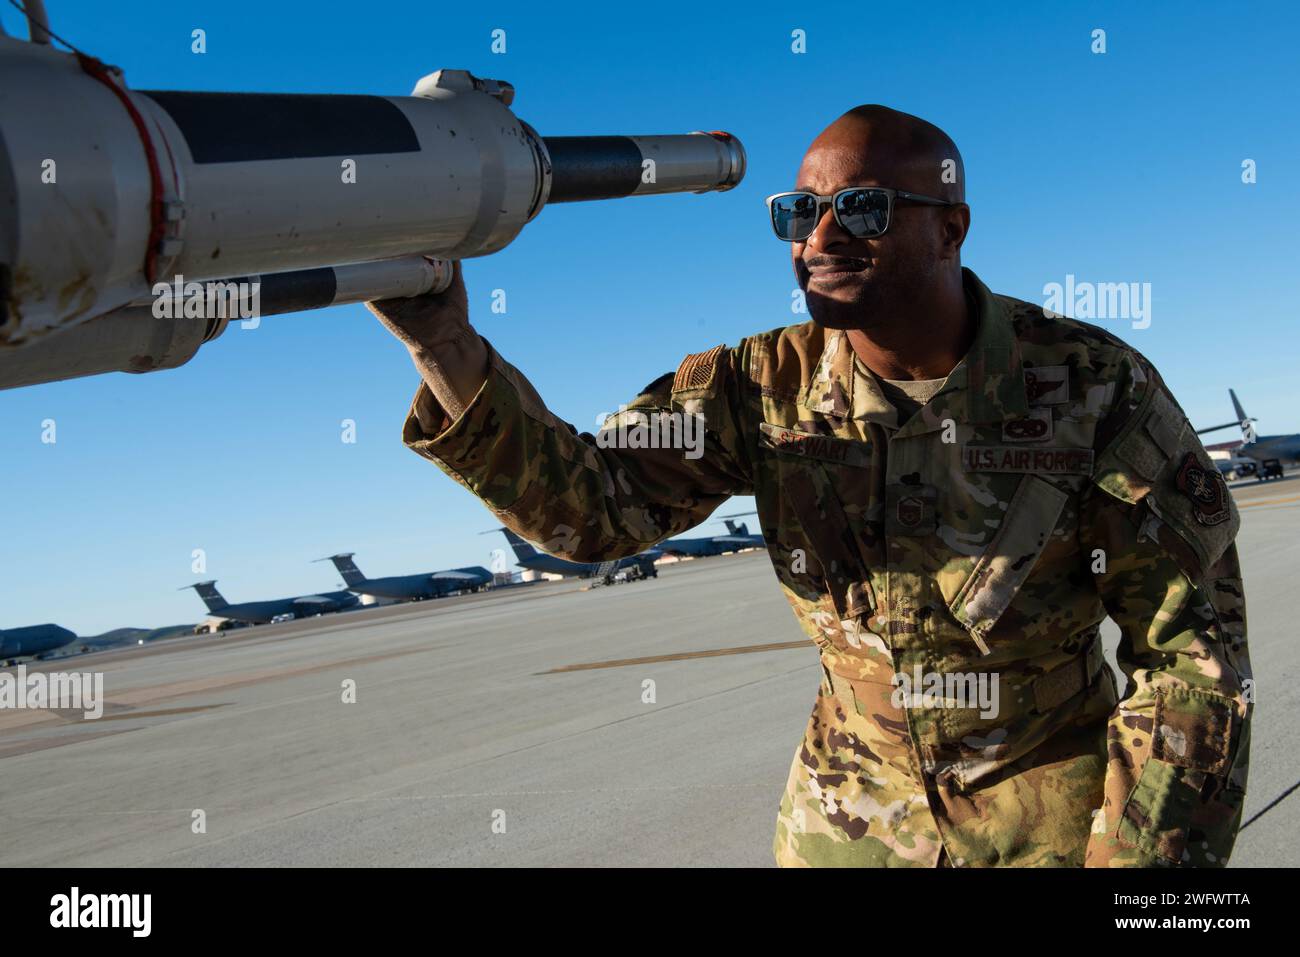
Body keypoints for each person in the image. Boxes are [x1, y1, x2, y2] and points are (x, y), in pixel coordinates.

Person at [368, 105, 1251, 868]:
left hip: (1053, 826)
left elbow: (1193, 661)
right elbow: (596, 512)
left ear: (951, 227)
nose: (819, 240)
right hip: (845, 827)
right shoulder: (753, 388)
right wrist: (442, 344)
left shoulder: (1091, 383)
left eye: (861, 209)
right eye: (799, 214)